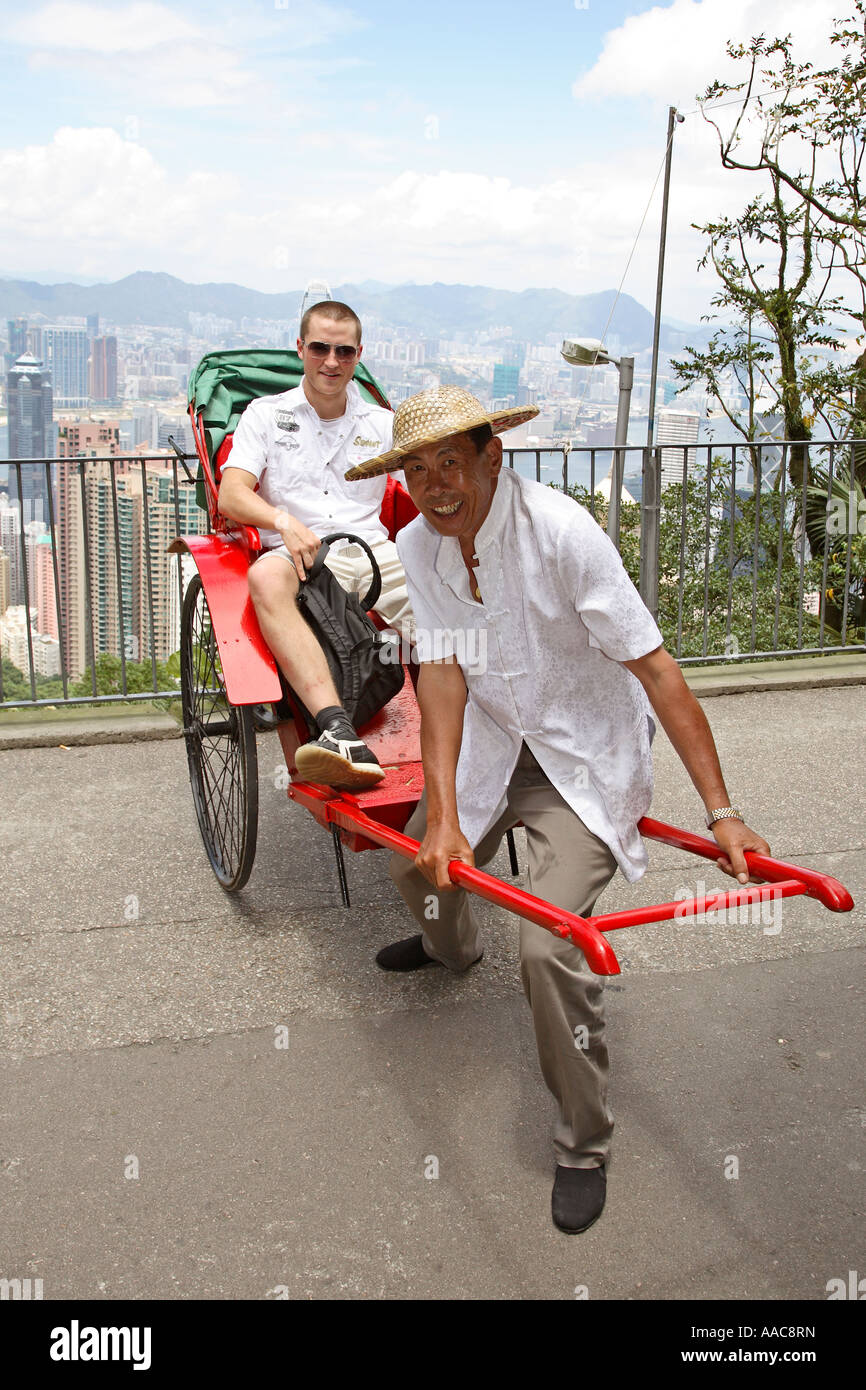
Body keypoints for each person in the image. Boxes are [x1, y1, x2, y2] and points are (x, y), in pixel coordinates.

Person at [344, 384, 771, 1234]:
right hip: (497, 745)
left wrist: (722, 812)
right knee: (415, 857)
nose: (436, 485)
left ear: (491, 456)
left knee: (547, 948)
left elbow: (655, 668)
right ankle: (452, 949)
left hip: (582, 757)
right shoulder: (419, 549)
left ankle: (583, 1140)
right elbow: (446, 675)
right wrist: (445, 814)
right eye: (418, 469)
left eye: (451, 463)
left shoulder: (562, 534)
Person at [218, 300, 414, 789]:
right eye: (321, 348)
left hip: (373, 552)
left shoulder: (381, 425)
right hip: (300, 555)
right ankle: (338, 730)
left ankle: (485, 729)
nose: (331, 361)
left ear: (358, 356)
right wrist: (281, 519)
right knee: (264, 574)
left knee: (454, 598)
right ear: (301, 348)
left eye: (344, 351)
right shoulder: (266, 415)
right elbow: (232, 493)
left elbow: (420, 488)